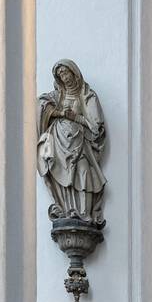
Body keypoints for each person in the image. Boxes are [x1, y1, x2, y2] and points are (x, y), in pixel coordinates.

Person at [37, 61, 106, 221]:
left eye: (66, 72)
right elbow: (41, 106)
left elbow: (95, 125)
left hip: (79, 142)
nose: (64, 77)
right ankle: (67, 209)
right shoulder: (57, 96)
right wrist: (60, 113)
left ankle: (84, 214)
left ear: (74, 73)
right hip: (59, 141)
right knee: (63, 174)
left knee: (84, 172)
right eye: (61, 74)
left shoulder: (86, 96)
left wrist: (75, 117)